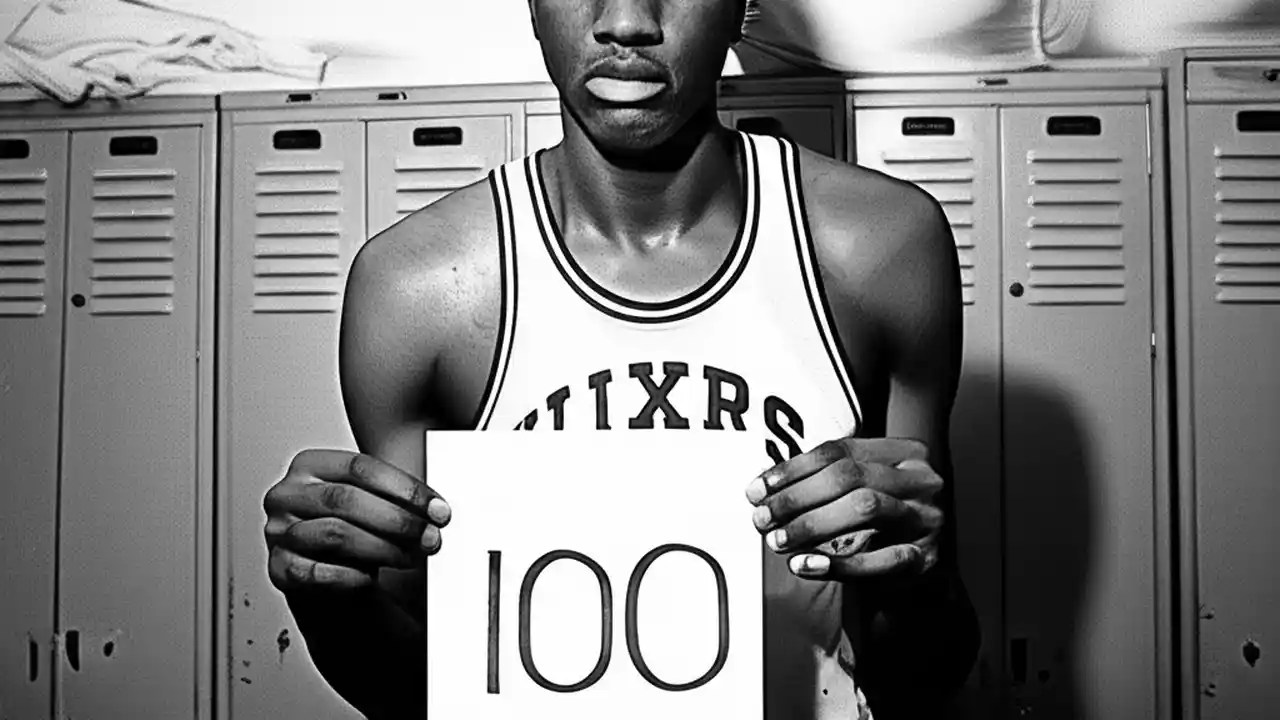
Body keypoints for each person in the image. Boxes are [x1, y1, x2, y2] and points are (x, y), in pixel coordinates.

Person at [261, 1, 981, 718]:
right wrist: (328, 598)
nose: (628, 22)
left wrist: (918, 581)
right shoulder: (417, 289)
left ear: (741, 9)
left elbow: (922, 677)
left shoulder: (879, 248)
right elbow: (415, 693)